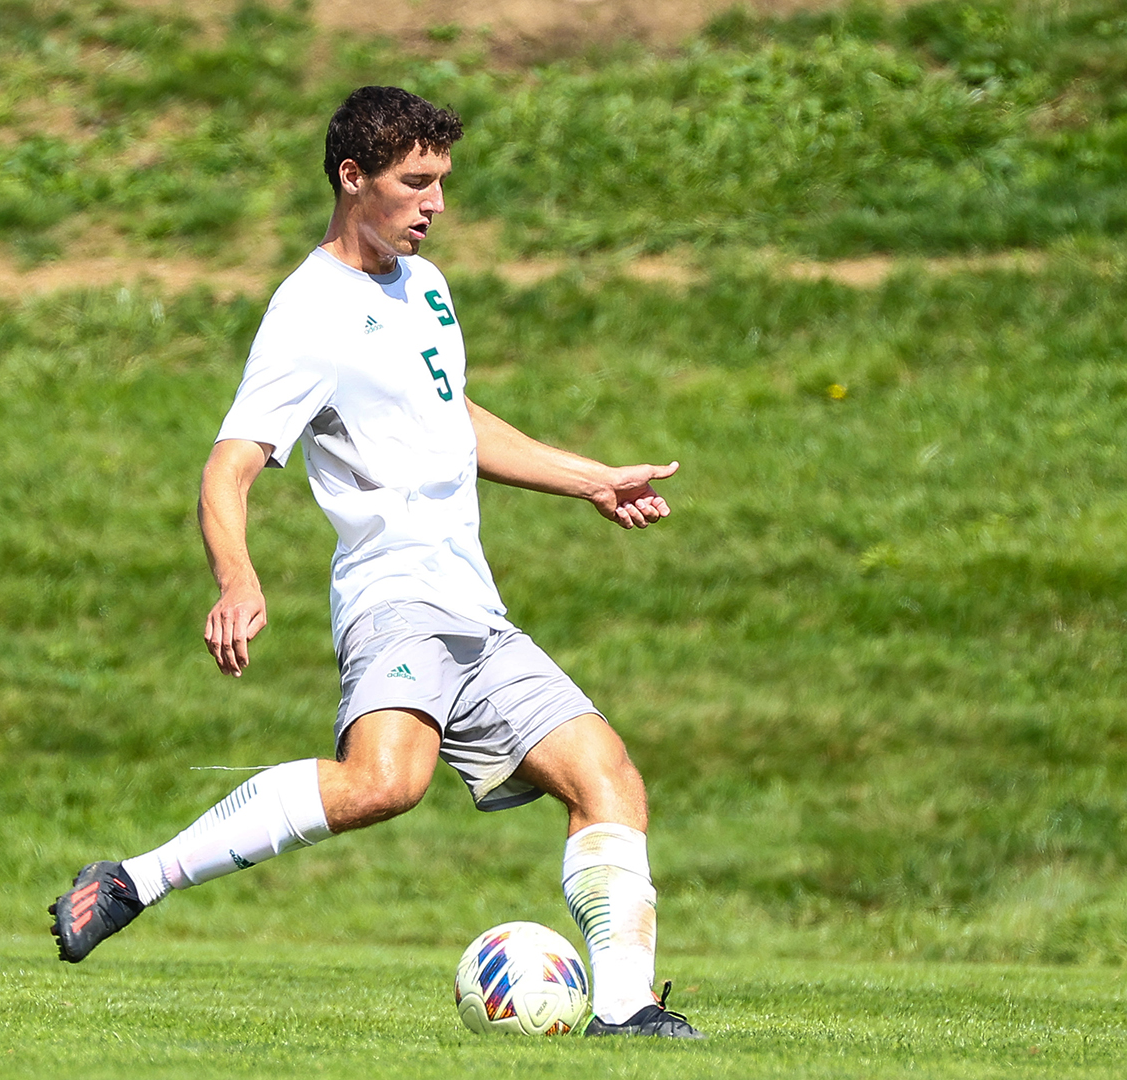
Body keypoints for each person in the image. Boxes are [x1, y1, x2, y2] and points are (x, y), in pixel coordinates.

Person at [48, 85, 701, 1039]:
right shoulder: (308, 313)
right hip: (392, 598)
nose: (435, 204)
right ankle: (135, 880)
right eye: (415, 182)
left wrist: (589, 478)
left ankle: (625, 1012)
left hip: (473, 608)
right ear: (353, 179)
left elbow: (455, 420)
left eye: (442, 182)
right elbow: (227, 470)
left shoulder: (424, 285)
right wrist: (238, 576)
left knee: (608, 777)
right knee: (385, 781)